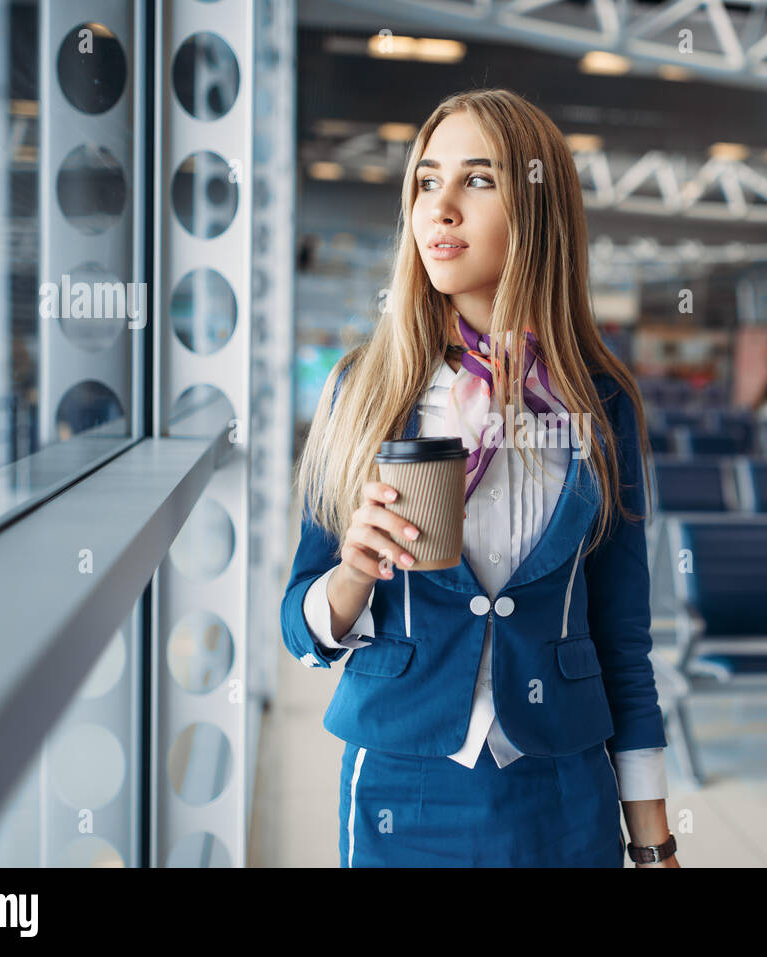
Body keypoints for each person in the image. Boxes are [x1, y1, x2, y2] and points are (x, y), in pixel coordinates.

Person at [280, 89, 678, 868]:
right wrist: (353, 575)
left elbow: (624, 639)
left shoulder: (600, 403)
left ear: (538, 209)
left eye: (479, 180)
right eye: (427, 182)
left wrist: (655, 840)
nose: (443, 208)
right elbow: (302, 632)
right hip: (402, 786)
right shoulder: (362, 389)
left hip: (564, 791)